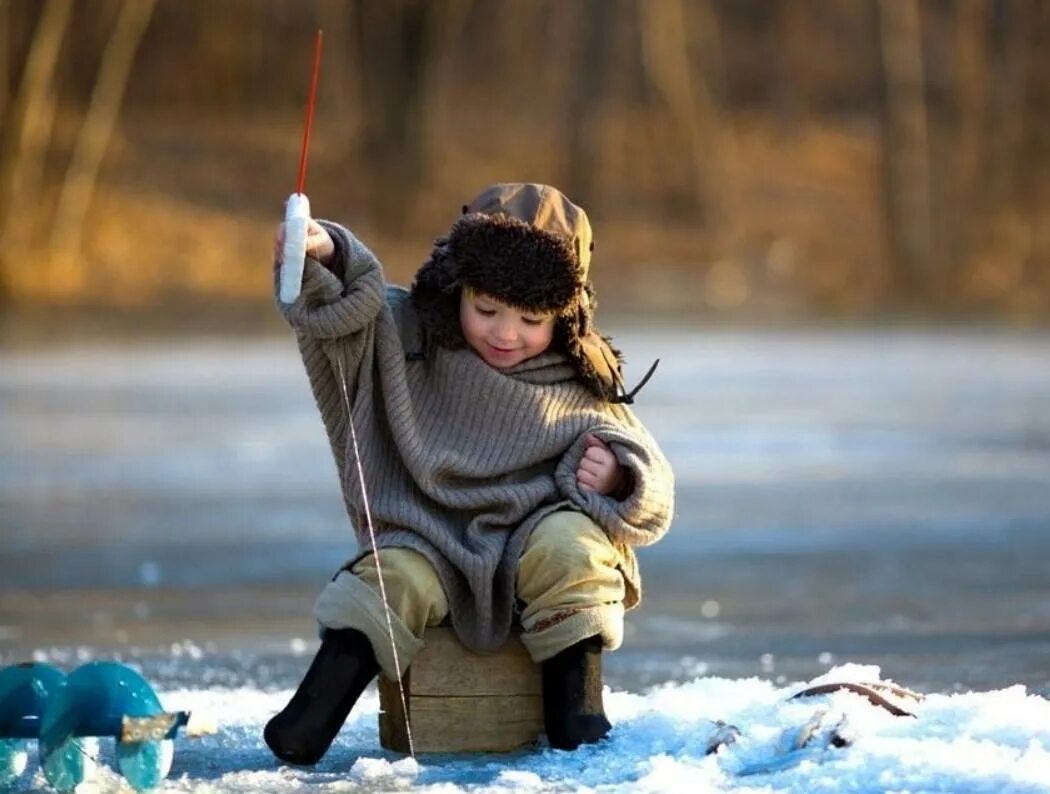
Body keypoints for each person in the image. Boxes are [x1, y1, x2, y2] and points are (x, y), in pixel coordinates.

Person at [264, 182, 674, 763]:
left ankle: (577, 715)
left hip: (533, 546)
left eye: (532, 318)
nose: (507, 334)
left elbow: (654, 490)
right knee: (389, 580)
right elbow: (350, 302)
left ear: (566, 313)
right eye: (486, 310)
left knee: (573, 548)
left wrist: (617, 478)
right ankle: (308, 721)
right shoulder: (408, 335)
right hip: (426, 536)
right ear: (456, 286)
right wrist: (323, 249)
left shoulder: (579, 377)